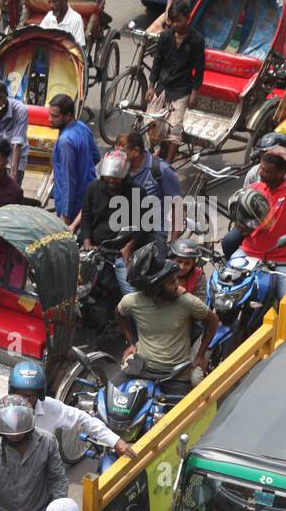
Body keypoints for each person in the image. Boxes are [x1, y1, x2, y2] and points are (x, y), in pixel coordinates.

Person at [0, 360, 135, 470]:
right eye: (21, 395)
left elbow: (84, 419)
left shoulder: (51, 407)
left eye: (31, 396)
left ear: (40, 394)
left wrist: (116, 441)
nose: (26, 401)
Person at [117, 244, 218, 393]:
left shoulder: (186, 301)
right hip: (142, 366)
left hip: (177, 373)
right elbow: (119, 314)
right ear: (156, 289)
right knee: (109, 396)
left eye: (175, 279)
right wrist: (131, 343)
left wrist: (200, 356)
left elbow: (213, 321)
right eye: (172, 282)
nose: (178, 284)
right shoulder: (132, 301)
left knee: (197, 396)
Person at [233, 143, 286, 302]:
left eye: (266, 171)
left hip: (282, 261)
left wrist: (284, 153)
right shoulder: (253, 189)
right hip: (249, 254)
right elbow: (240, 222)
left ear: (281, 173)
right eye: (261, 168)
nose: (261, 173)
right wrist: (243, 227)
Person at [146, 0, 204, 164]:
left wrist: (194, 93)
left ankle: (168, 163)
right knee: (152, 123)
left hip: (182, 88)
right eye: (172, 21)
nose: (175, 24)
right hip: (163, 86)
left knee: (175, 127)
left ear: (188, 18)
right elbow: (157, 63)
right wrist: (151, 86)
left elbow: (199, 70)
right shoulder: (165, 36)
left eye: (179, 20)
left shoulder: (197, 41)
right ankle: (157, 151)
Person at [75, 149, 136, 295]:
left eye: (116, 178)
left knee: (131, 296)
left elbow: (142, 226)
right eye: (109, 177)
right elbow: (86, 218)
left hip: (119, 253)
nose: (112, 181)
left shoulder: (135, 192)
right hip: (94, 249)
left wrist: (128, 247)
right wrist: (88, 243)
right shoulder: (93, 189)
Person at [118, 130, 184, 248]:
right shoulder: (120, 169)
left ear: (136, 151)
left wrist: (174, 244)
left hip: (154, 231)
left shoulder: (162, 171)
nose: (118, 157)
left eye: (123, 153)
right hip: (125, 227)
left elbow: (177, 207)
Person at [49, 93, 99, 225]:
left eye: (55, 116)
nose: (50, 119)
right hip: (88, 198)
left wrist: (65, 214)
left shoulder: (65, 141)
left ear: (68, 115)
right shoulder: (83, 127)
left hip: (73, 205)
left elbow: (68, 181)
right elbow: (96, 156)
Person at [169, 236, 208, 302]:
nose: (182, 267)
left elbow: (200, 304)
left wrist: (185, 296)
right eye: (179, 261)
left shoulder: (199, 276)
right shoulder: (164, 273)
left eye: (187, 264)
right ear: (172, 259)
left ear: (193, 264)